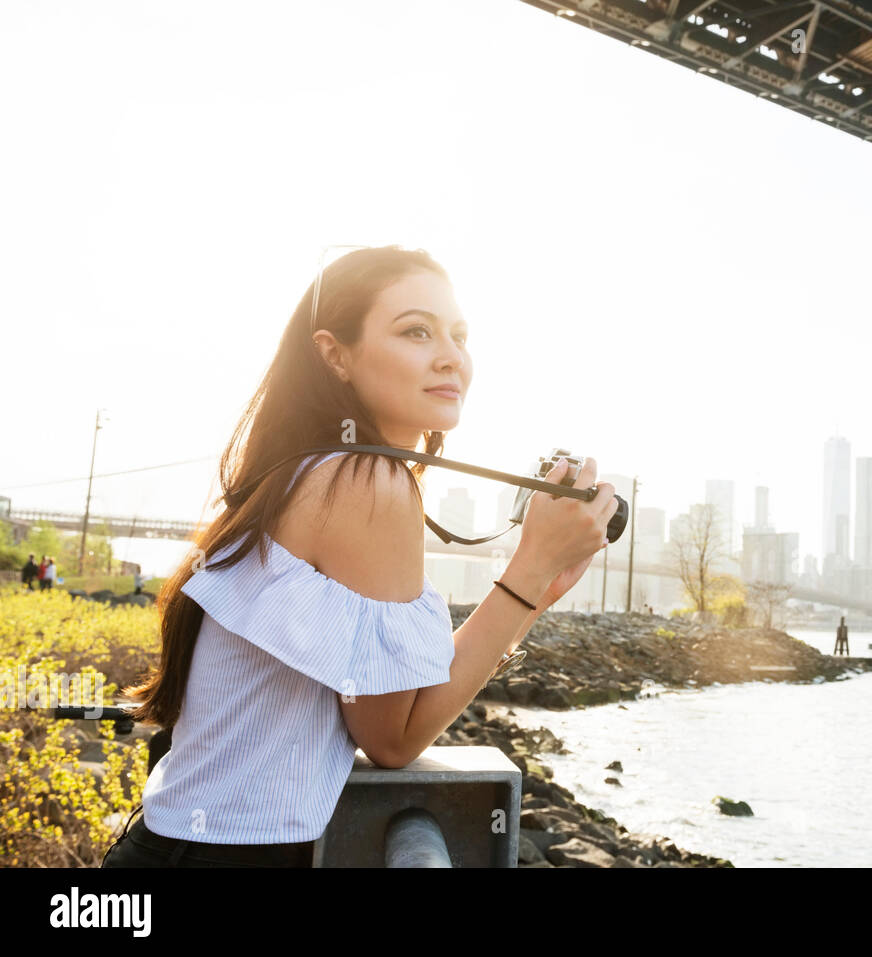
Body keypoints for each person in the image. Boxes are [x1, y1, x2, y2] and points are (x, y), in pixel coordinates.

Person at [103, 245, 614, 868]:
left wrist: (539, 582)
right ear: (334, 354)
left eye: (459, 334)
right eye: (416, 331)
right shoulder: (366, 480)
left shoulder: (304, 473)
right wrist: (531, 571)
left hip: (180, 847)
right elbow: (393, 737)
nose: (451, 355)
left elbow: (382, 701)